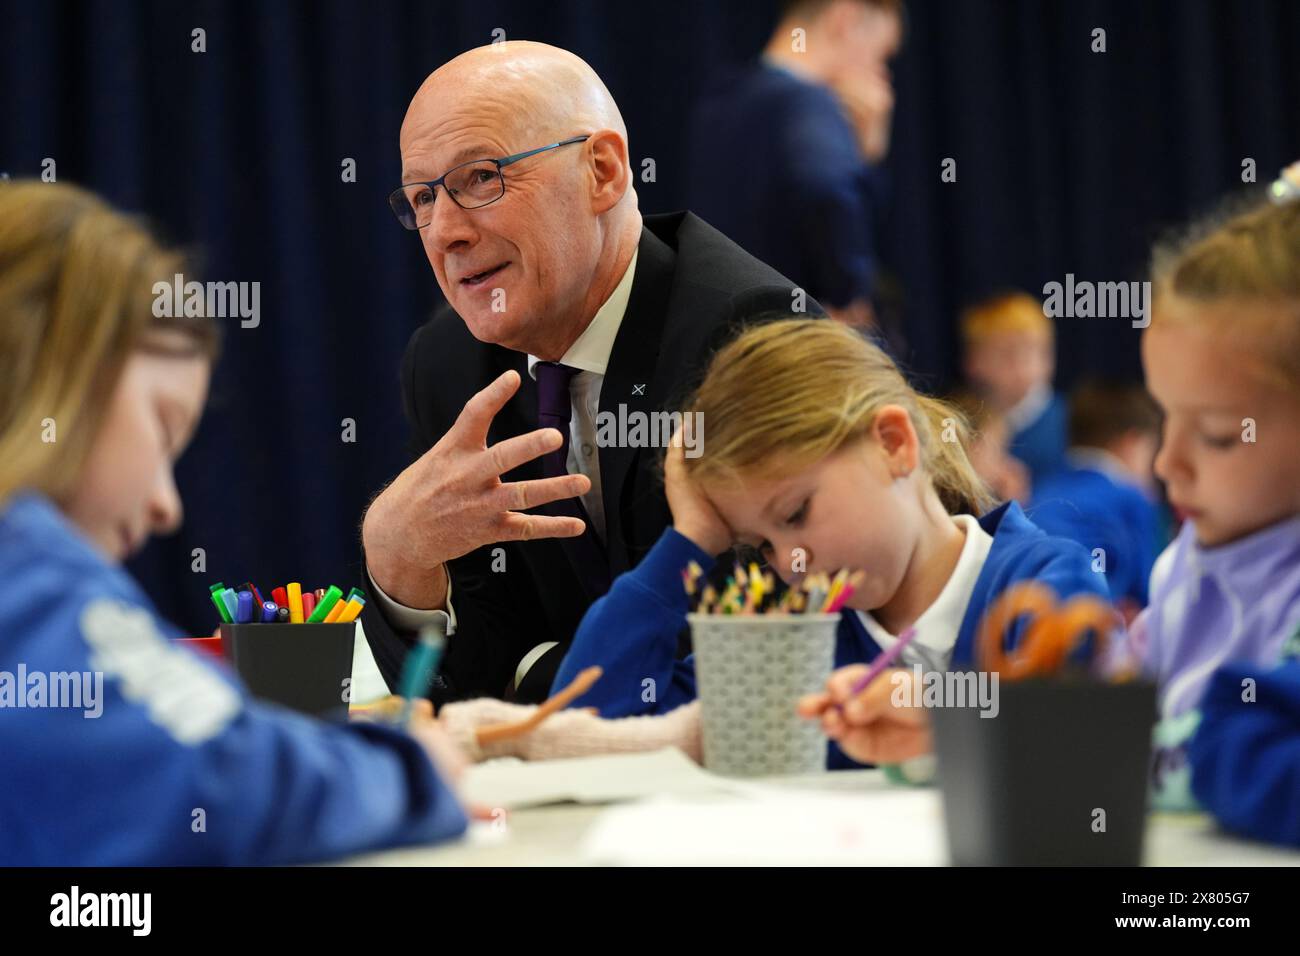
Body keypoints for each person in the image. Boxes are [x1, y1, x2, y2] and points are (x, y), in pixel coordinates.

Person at [0, 181, 467, 865]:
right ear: (57, 377)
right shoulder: (25, 569)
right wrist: (413, 769)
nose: (167, 507)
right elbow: (225, 777)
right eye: (161, 430)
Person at [361, 41, 821, 707]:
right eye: (423, 198)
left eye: (481, 178)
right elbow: (469, 673)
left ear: (602, 172)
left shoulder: (753, 339)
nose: (443, 233)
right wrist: (396, 561)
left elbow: (744, 656)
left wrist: (534, 679)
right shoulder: (446, 366)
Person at [549, 319, 1108, 768]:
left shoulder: (1043, 579)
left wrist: (937, 716)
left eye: (796, 513)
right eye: (758, 546)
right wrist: (689, 542)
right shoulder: (792, 640)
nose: (790, 566)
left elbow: (1088, 748)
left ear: (893, 443)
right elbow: (589, 731)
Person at [687, 0, 902, 329]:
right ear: (846, 19)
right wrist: (848, 293)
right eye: (881, 54)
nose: (882, 75)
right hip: (798, 343)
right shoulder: (811, 103)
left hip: (727, 338)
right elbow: (825, 190)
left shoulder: (720, 102)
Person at [1029, 381, 1163, 620]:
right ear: (1131, 443)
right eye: (1150, 452)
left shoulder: (1041, 487)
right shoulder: (1129, 498)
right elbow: (1149, 594)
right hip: (1084, 625)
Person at [961, 291, 1067, 484]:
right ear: (973, 361)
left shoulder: (1068, 423)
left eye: (1036, 351)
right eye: (1008, 353)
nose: (1025, 365)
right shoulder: (958, 421)